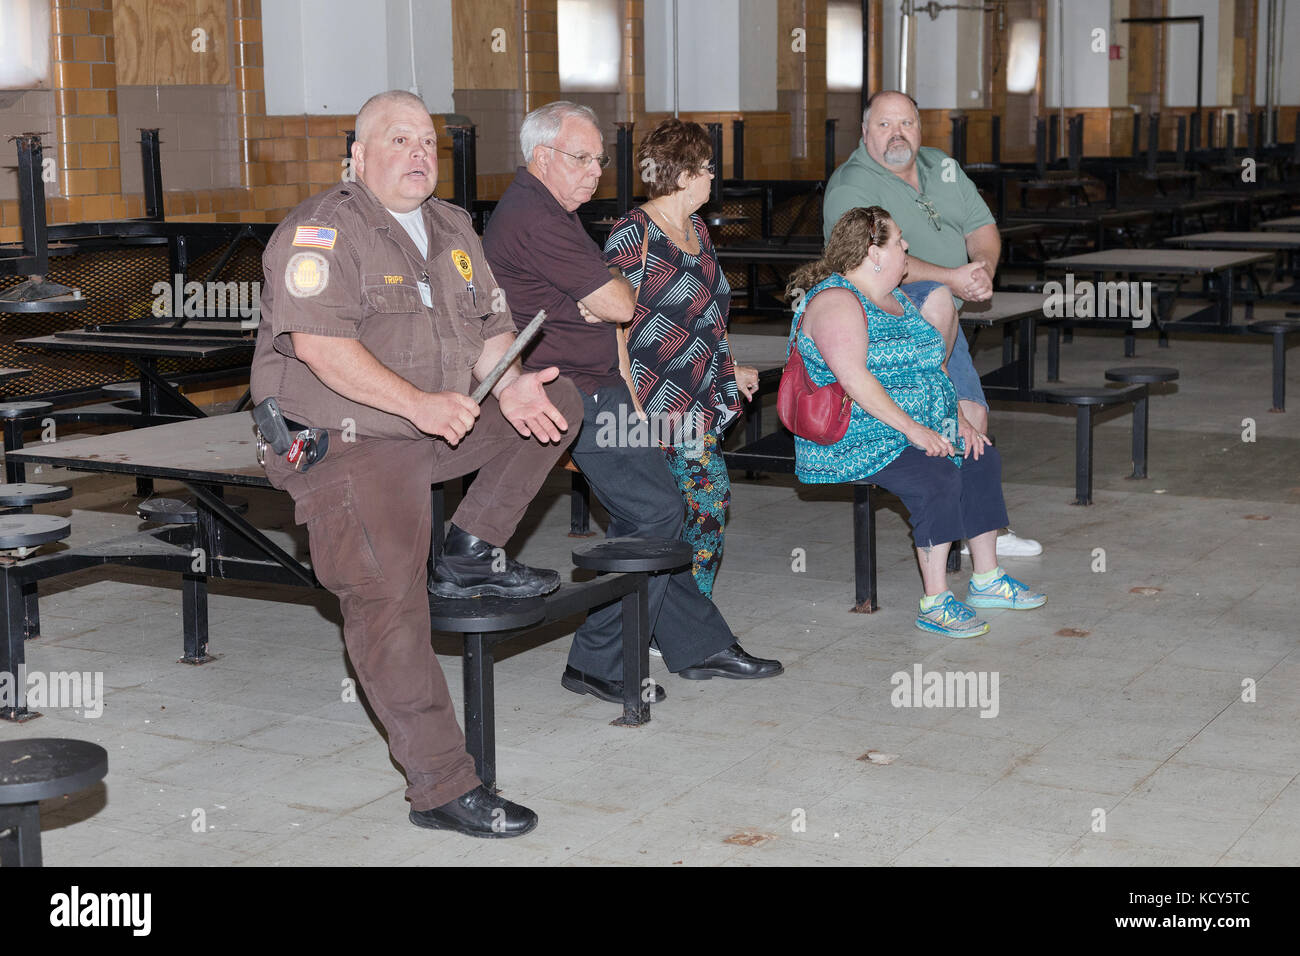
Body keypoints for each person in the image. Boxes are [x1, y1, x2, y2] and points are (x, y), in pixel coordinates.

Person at [249, 90, 583, 839]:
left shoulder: (453, 226)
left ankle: (469, 547)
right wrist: (420, 405)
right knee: (388, 598)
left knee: (559, 404)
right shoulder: (322, 230)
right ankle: (441, 786)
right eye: (396, 140)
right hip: (344, 438)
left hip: (431, 424)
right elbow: (322, 349)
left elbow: (492, 331)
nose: (417, 154)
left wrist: (514, 377)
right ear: (358, 157)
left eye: (427, 141)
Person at [483, 101, 783, 701]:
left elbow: (616, 301)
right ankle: (601, 661)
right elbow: (622, 305)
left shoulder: (554, 211)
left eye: (599, 159)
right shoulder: (538, 218)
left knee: (647, 515)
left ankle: (696, 646)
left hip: (600, 384)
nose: (596, 171)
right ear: (543, 156)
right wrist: (601, 302)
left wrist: (602, 302)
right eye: (581, 158)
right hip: (575, 389)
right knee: (658, 513)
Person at [786, 206, 1046, 638]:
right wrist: (915, 430)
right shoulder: (837, 301)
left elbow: (931, 370)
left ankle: (987, 578)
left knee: (979, 453)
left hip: (908, 424)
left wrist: (957, 419)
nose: (906, 246)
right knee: (937, 475)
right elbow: (855, 381)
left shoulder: (897, 299)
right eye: (898, 240)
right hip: (854, 436)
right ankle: (936, 601)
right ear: (874, 253)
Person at [823, 89, 1041, 558]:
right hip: (894, 320)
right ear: (864, 132)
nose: (897, 134)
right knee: (948, 414)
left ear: (920, 130)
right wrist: (953, 278)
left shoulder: (942, 166)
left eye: (907, 123)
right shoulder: (852, 185)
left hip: (947, 313)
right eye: (884, 124)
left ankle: (981, 533)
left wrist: (980, 268)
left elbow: (982, 226)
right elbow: (866, 262)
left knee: (974, 418)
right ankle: (950, 527)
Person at [602, 117, 759, 600]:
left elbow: (711, 309)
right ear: (686, 174)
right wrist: (628, 399)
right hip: (654, 399)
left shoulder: (696, 229)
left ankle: (679, 619)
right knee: (688, 508)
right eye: (708, 168)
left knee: (696, 508)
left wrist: (732, 368)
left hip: (698, 396)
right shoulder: (633, 232)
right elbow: (610, 323)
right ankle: (666, 622)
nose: (714, 176)